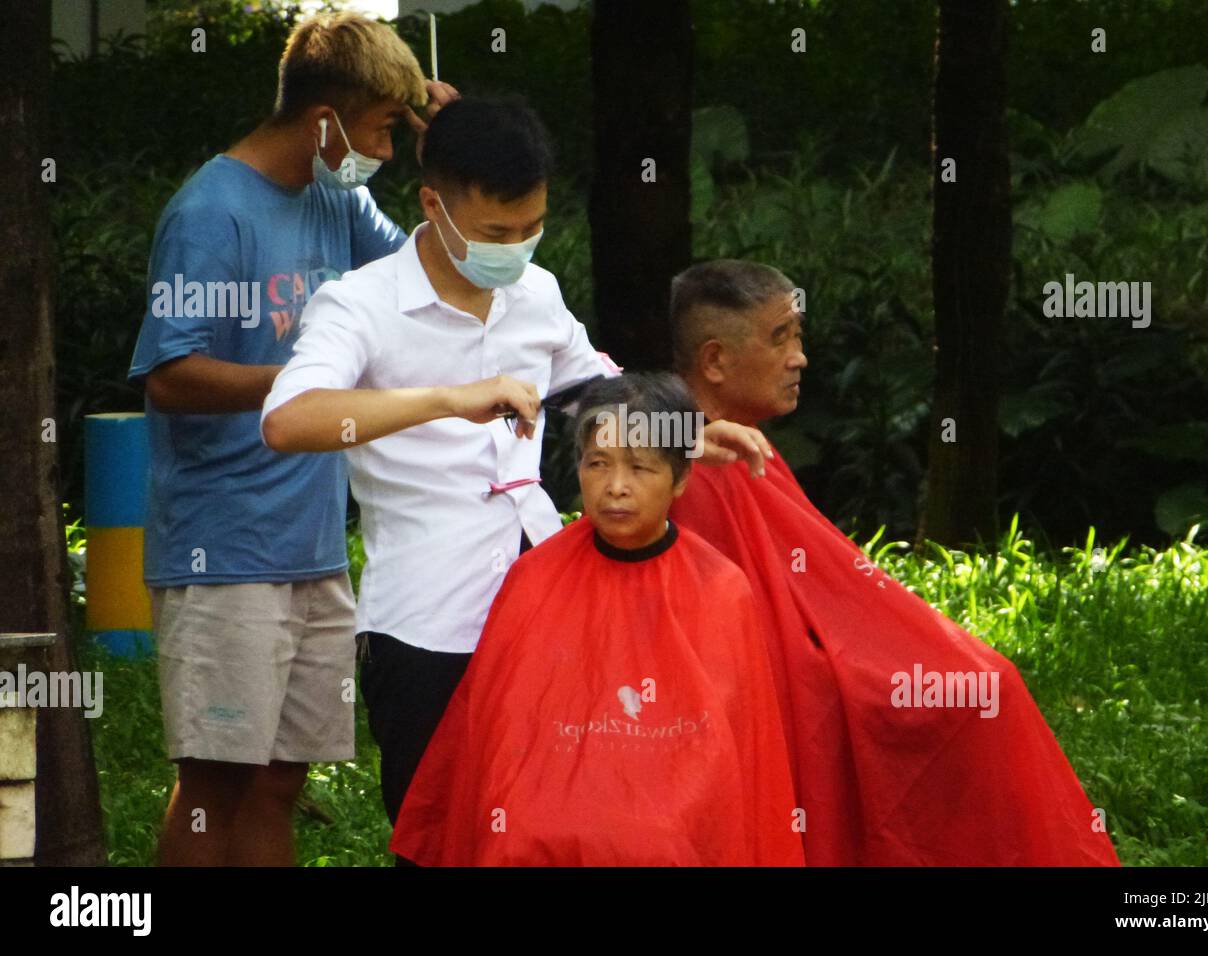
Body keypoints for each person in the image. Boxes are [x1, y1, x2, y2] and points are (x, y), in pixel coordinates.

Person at [260, 99, 771, 854]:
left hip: (551, 606)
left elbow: (595, 392)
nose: (517, 247)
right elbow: (287, 419)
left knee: (551, 814)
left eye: (532, 227)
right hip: (428, 624)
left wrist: (685, 426)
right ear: (433, 204)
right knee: (438, 829)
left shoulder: (537, 295)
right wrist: (447, 399)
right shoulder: (361, 305)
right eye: (498, 233)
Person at [127, 11, 455, 866]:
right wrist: (302, 385)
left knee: (279, 781)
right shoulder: (211, 212)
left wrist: (447, 153)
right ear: (324, 122)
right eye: (382, 127)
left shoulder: (333, 195)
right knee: (215, 783)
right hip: (224, 549)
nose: (383, 149)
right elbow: (169, 374)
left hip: (311, 544)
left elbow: (430, 266)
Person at [667, 259, 1122, 866]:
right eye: (781, 339)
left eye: (799, 336)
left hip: (820, 662)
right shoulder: (690, 468)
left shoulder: (743, 442)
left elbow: (820, 589)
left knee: (986, 683)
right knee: (979, 696)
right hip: (777, 693)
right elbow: (755, 646)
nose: (800, 357)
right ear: (716, 361)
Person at [390, 374, 805, 866]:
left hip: (669, 821)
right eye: (598, 464)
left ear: (681, 478)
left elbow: (730, 760)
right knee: (516, 835)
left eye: (640, 468)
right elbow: (498, 743)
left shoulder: (721, 588)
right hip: (541, 820)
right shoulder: (534, 579)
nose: (616, 488)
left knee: (654, 844)